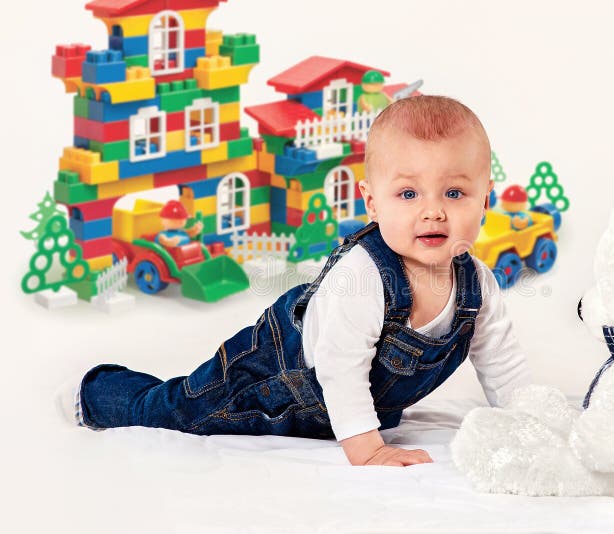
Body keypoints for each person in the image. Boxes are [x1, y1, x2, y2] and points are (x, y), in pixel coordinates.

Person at [73, 95, 535, 467]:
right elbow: (339, 366)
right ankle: (96, 392)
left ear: (485, 201)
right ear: (372, 204)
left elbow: (503, 362)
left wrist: (534, 423)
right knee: (175, 413)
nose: (432, 210)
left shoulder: (477, 283)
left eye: (455, 193)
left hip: (347, 405)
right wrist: (367, 448)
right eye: (408, 193)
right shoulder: (363, 275)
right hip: (273, 377)